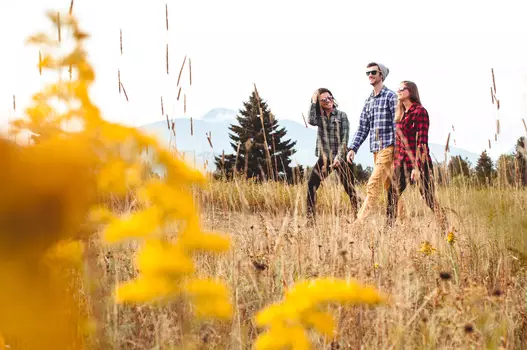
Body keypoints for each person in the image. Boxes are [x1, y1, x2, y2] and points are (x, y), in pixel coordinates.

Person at [386, 81, 447, 230]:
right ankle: (388, 229)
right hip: (401, 163)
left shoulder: (420, 111)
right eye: (398, 88)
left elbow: (422, 142)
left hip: (418, 162)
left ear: (411, 91)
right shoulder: (401, 114)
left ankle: (445, 226)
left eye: (402, 88)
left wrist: (417, 167)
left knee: (428, 197)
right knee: (391, 193)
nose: (398, 91)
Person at [347, 62, 397, 221]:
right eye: (368, 72)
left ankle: (357, 225)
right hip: (376, 150)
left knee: (373, 185)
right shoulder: (368, 101)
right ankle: (404, 223)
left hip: (389, 147)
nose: (370, 75)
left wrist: (399, 149)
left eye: (373, 72)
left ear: (381, 75)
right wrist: (353, 148)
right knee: (391, 189)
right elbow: (362, 127)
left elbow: (398, 124)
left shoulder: (391, 96)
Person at [306, 88, 359, 222]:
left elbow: (345, 139)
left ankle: (357, 216)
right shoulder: (319, 117)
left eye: (329, 97)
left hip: (341, 158)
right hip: (324, 158)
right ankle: (310, 219)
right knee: (311, 185)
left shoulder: (342, 116)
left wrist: (339, 157)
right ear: (319, 102)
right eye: (323, 100)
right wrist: (313, 101)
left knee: (349, 188)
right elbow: (311, 120)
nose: (328, 101)